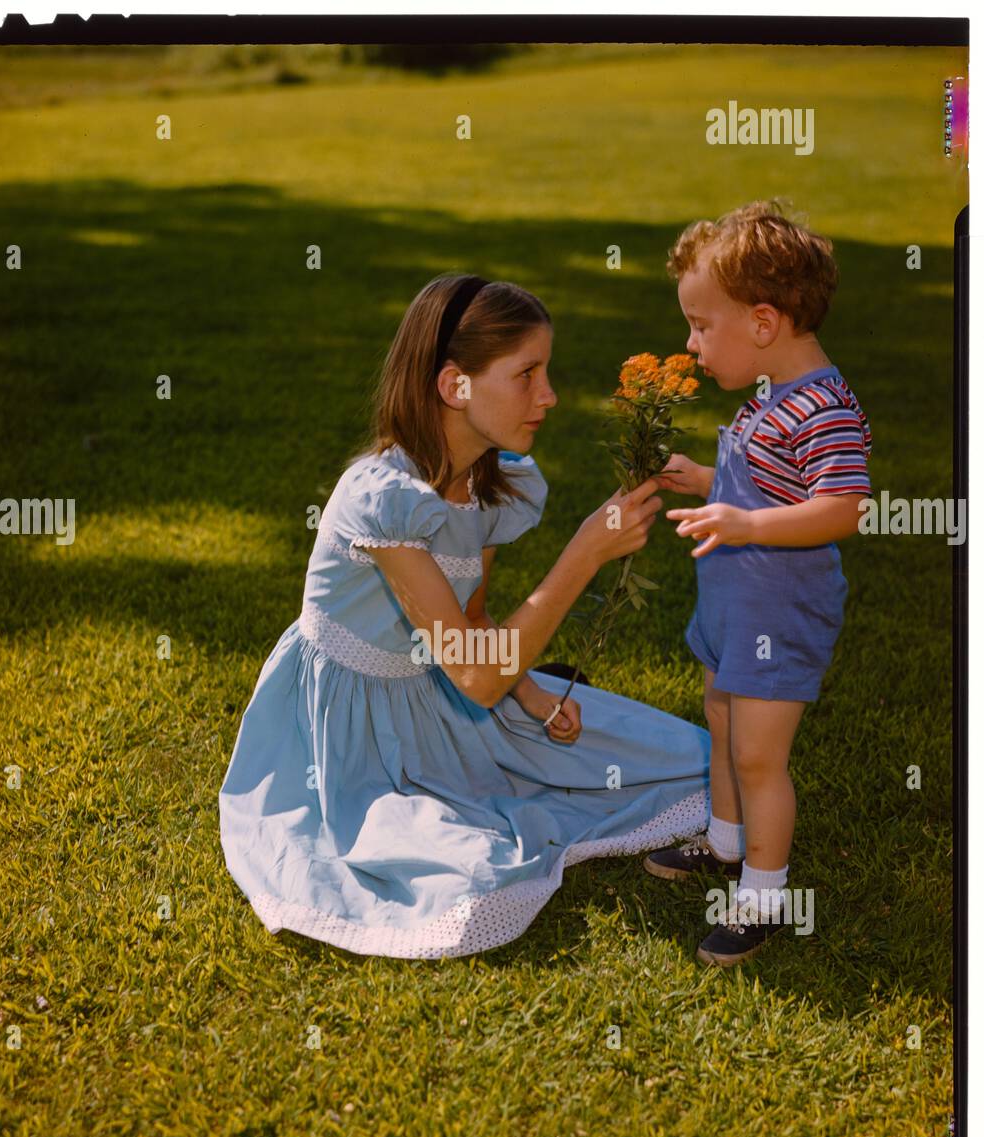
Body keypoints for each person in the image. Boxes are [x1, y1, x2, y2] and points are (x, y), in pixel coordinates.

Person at [219, 273, 712, 959]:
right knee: (476, 869)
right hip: (352, 734)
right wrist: (582, 556)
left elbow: (475, 624)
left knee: (690, 757)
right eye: (527, 374)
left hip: (442, 694)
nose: (550, 395)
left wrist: (536, 697)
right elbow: (478, 679)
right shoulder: (383, 502)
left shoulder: (483, 482)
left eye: (547, 372)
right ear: (455, 386)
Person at [644, 202, 872, 966]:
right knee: (720, 720)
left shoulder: (824, 407)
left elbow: (841, 507)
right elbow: (766, 483)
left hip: (779, 609)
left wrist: (742, 526)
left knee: (758, 757)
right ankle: (725, 841)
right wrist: (702, 479)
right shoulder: (771, 396)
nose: (690, 341)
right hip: (735, 603)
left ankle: (766, 895)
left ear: (765, 322)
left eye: (703, 325)